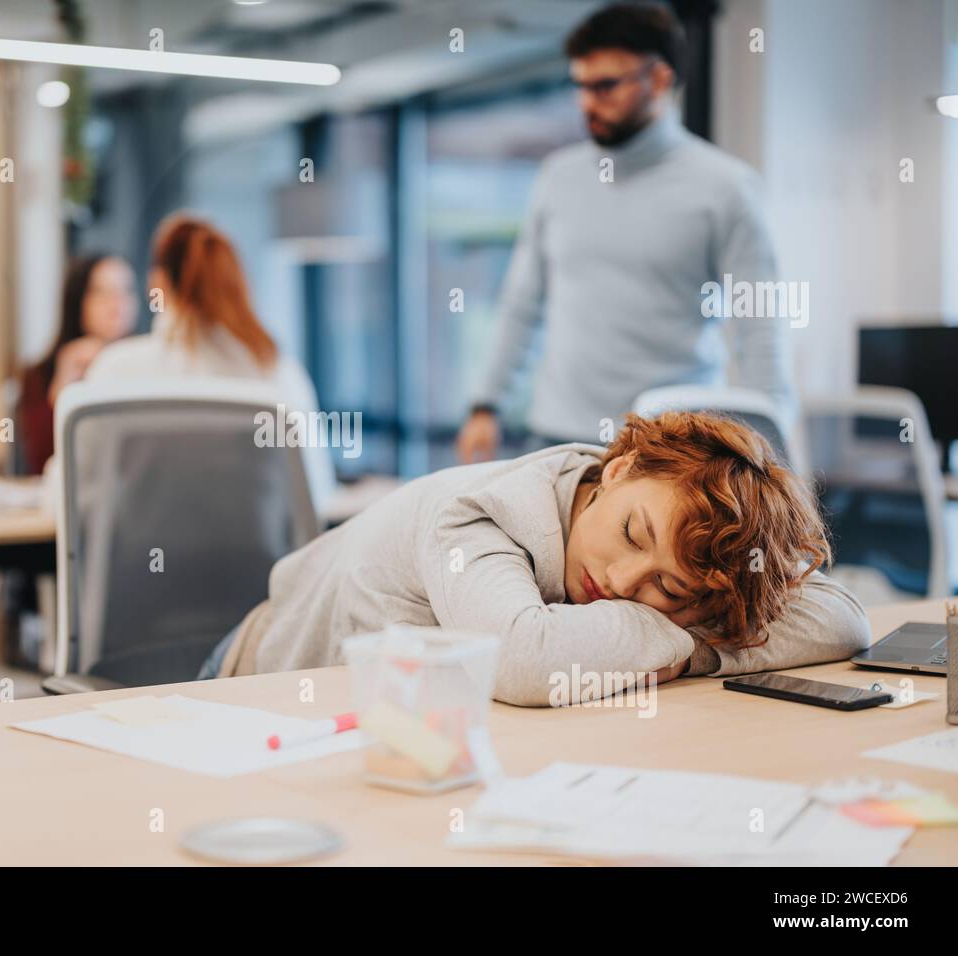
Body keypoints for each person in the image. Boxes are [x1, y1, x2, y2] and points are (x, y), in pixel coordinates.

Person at [200, 411, 870, 706]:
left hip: (406, 722)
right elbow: (521, 662)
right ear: (619, 467)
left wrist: (694, 640)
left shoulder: (635, 543)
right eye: (634, 534)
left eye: (669, 585)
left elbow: (844, 622)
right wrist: (689, 634)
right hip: (256, 685)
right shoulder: (479, 511)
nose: (619, 583)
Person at [457, 2, 792, 463]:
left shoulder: (727, 188)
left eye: (605, 86)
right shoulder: (557, 178)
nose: (586, 102)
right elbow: (521, 302)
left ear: (658, 79)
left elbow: (760, 332)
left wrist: (771, 453)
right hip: (556, 442)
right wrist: (485, 404)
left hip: (670, 450)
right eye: (579, 85)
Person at [86, 214, 335, 512]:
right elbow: (317, 493)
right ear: (234, 284)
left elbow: (72, 493)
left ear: (158, 283)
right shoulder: (279, 373)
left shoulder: (116, 371)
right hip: (262, 559)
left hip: (147, 559)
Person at [17, 254, 139, 475]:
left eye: (126, 290)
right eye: (101, 292)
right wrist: (63, 386)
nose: (117, 303)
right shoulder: (40, 375)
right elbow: (42, 460)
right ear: (78, 300)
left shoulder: (145, 369)